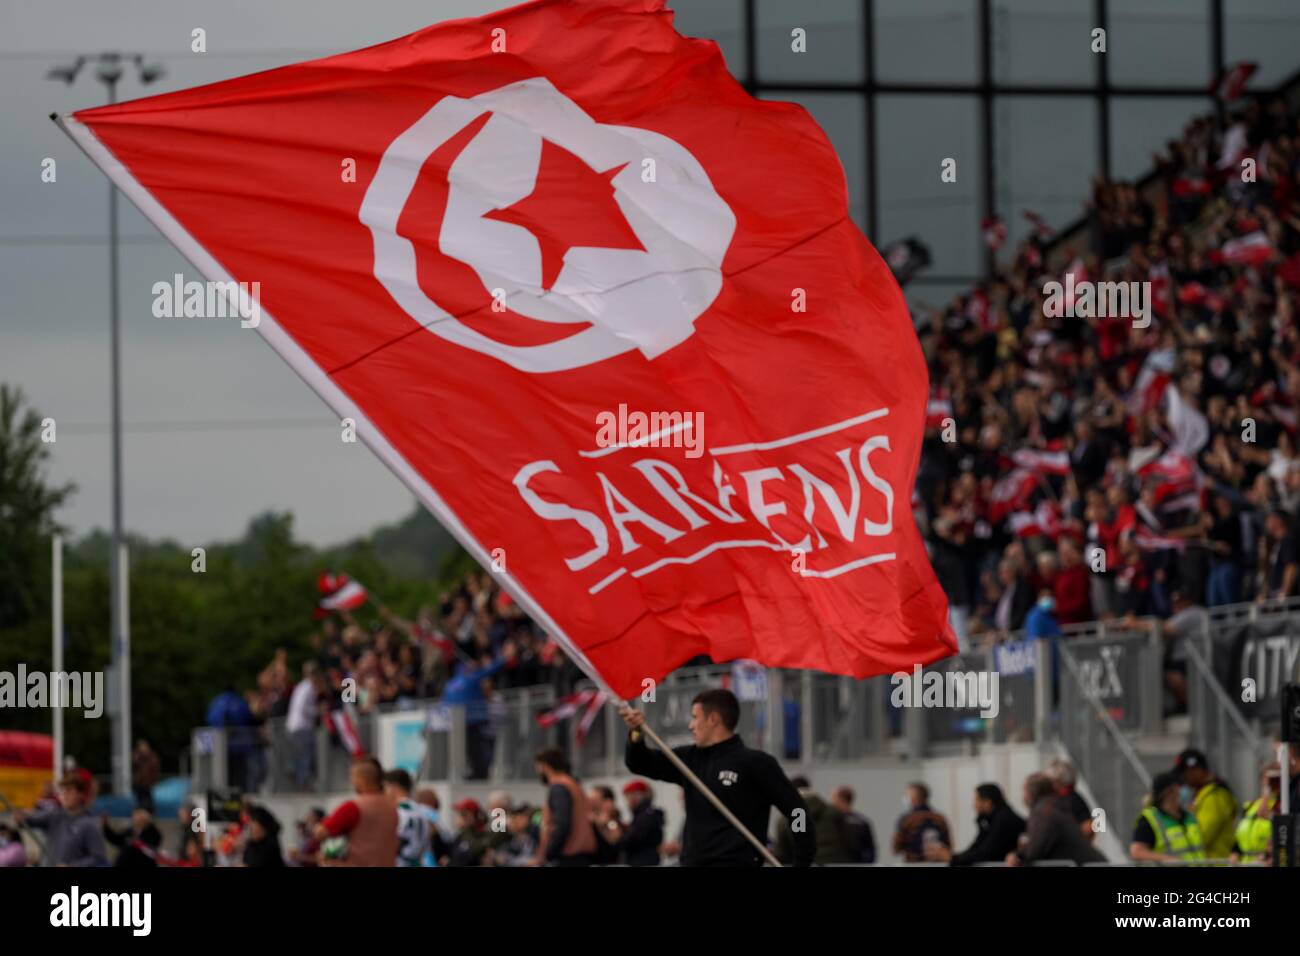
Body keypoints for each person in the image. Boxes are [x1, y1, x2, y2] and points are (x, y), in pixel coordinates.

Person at [620, 689, 814, 866]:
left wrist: (802, 862)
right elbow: (640, 763)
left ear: (713, 719)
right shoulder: (688, 758)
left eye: (695, 717)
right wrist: (637, 733)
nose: (690, 725)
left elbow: (798, 812)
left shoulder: (756, 763)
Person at [314, 757, 399, 867]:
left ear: (362, 779)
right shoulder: (392, 807)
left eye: (353, 776)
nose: (352, 781)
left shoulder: (354, 807)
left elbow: (320, 833)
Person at [1009, 773, 1106, 866]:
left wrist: (1018, 856)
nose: (1023, 796)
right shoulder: (1055, 806)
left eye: (1024, 790)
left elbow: (1036, 846)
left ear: (1032, 792)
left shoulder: (1045, 812)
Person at [16, 772, 107, 867]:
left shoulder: (89, 824)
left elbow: (98, 858)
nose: (64, 794)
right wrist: (22, 816)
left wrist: (72, 866)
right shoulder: (55, 815)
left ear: (81, 794)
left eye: (69, 791)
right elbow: (31, 820)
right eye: (63, 790)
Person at [927, 783, 1025, 865]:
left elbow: (985, 852)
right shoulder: (992, 819)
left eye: (976, 800)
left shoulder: (1004, 820)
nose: (973, 804)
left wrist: (952, 858)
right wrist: (953, 857)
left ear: (987, 802)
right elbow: (976, 847)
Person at [534, 748, 597, 867]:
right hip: (580, 853)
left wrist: (549, 852)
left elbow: (562, 823)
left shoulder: (559, 787)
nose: (537, 771)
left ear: (545, 766)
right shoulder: (572, 784)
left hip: (570, 854)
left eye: (538, 767)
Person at [1174, 748, 1237, 859]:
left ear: (1198, 770)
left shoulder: (1213, 797)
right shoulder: (1202, 795)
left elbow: (1202, 837)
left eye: (1185, 773)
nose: (1183, 778)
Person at [1130, 771, 1206, 863]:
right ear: (1168, 792)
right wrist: (1167, 859)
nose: (1185, 790)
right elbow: (1137, 852)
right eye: (1180, 786)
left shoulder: (1189, 816)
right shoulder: (1150, 820)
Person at [774, 776, 852, 864]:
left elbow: (782, 854)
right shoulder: (835, 813)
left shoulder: (785, 819)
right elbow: (850, 842)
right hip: (837, 863)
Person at [1231, 762, 1281, 864]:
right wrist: (1235, 852)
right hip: (1246, 863)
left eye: (1271, 779)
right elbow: (1240, 834)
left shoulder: (1282, 804)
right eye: (1265, 778)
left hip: (1267, 861)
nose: (1268, 782)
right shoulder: (1250, 806)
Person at [383, 768, 433, 867]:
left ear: (394, 787)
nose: (384, 792)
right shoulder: (424, 811)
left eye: (386, 787)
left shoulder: (397, 812)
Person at [286, 662, 324, 791]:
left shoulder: (300, 686)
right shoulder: (309, 688)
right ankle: (304, 784)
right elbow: (304, 708)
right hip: (303, 726)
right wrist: (317, 711)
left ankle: (293, 769)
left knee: (299, 754)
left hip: (293, 725)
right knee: (305, 756)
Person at [892, 782, 950, 863]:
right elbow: (948, 846)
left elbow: (896, 847)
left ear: (914, 797)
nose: (905, 798)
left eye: (906, 795)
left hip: (914, 863)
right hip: (937, 864)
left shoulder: (907, 819)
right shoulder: (940, 818)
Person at [609, 780, 664, 866]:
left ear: (637, 796)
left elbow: (631, 839)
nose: (627, 802)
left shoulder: (646, 816)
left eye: (628, 797)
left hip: (643, 862)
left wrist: (612, 826)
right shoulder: (645, 814)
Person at [1044, 759, 1094, 843]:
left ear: (1057, 783)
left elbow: (1088, 828)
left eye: (1050, 782)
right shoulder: (1061, 799)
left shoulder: (1072, 801)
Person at [831, 786, 875, 864]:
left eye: (834, 799)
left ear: (841, 800)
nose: (832, 803)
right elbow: (870, 851)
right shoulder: (862, 821)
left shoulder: (833, 821)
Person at [130, 740, 161, 813]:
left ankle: (148, 813)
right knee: (141, 799)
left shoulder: (151, 757)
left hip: (147, 783)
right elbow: (134, 766)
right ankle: (143, 812)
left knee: (147, 800)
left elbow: (154, 769)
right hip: (140, 783)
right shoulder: (139, 757)